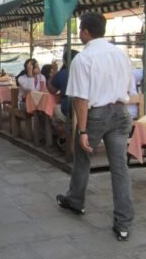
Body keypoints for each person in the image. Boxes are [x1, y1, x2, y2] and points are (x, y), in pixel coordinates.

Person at [56, 12, 134, 242]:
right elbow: (129, 90)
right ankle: (123, 223)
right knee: (120, 168)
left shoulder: (82, 59)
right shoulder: (121, 55)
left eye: (80, 29)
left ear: (86, 32)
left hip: (96, 114)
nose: (80, 33)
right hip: (120, 112)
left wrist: (82, 131)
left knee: (83, 158)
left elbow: (80, 99)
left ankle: (76, 201)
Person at [48, 50, 79, 146]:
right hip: (87, 107)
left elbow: (52, 90)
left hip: (68, 107)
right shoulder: (86, 71)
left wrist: (52, 75)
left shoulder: (62, 74)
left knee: (55, 112)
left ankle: (63, 137)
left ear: (65, 61)